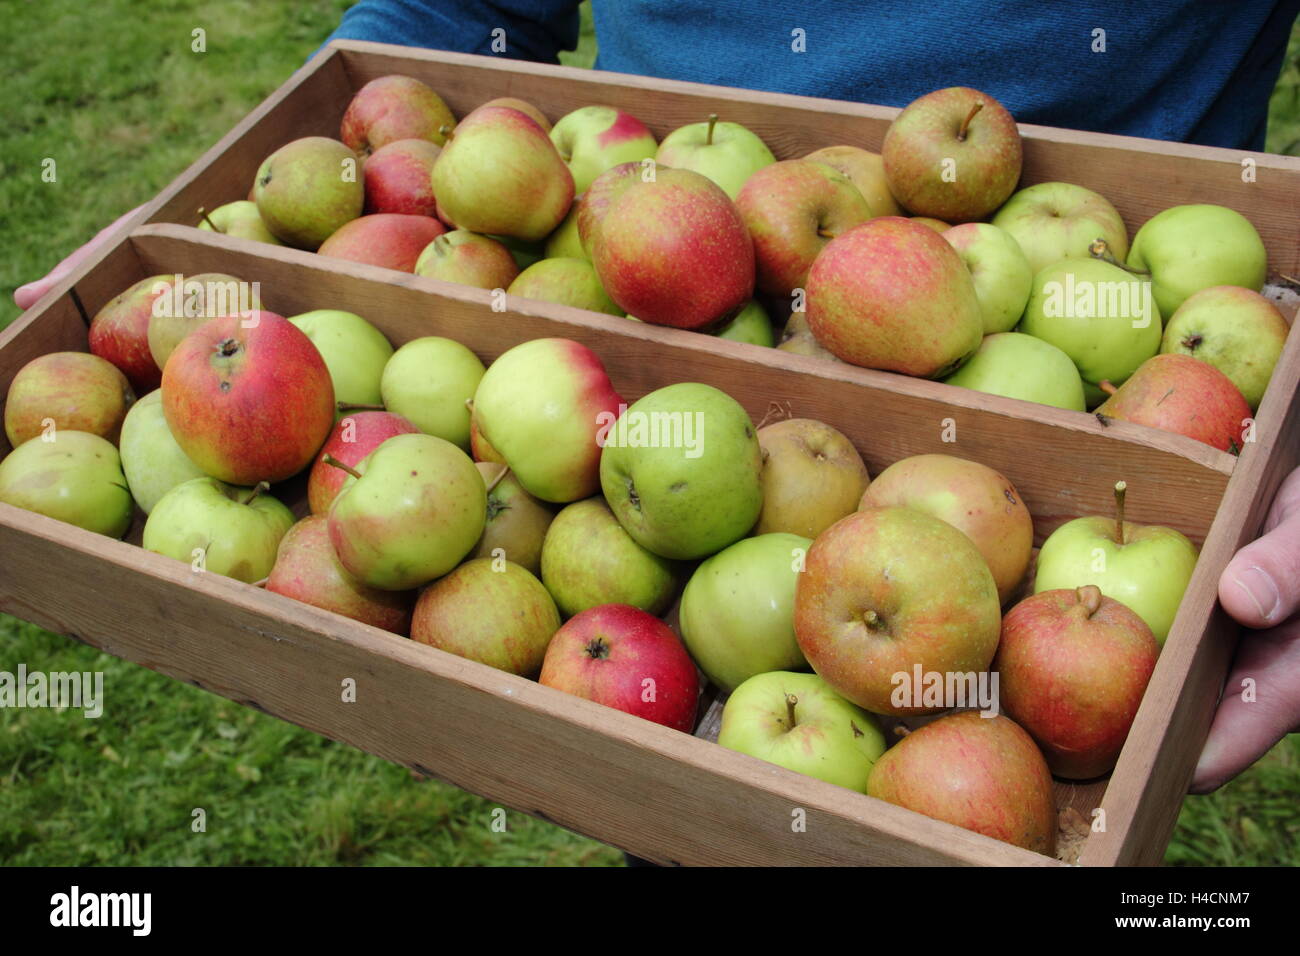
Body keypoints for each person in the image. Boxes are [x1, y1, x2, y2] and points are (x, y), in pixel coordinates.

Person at [12, 1, 1299, 792]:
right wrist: (220, 207)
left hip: (1093, 267)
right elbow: (451, 6)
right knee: (689, 797)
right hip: (648, 303)